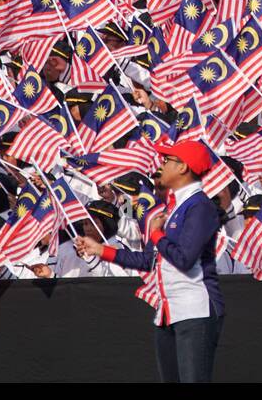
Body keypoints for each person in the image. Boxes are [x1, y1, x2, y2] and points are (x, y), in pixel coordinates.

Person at [77, 139, 225, 383]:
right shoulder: (172, 208)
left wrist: (157, 234)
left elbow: (184, 259)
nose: (162, 165)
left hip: (195, 309)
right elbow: (149, 261)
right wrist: (101, 250)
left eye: (168, 160)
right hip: (168, 312)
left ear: (183, 168)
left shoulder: (200, 206)